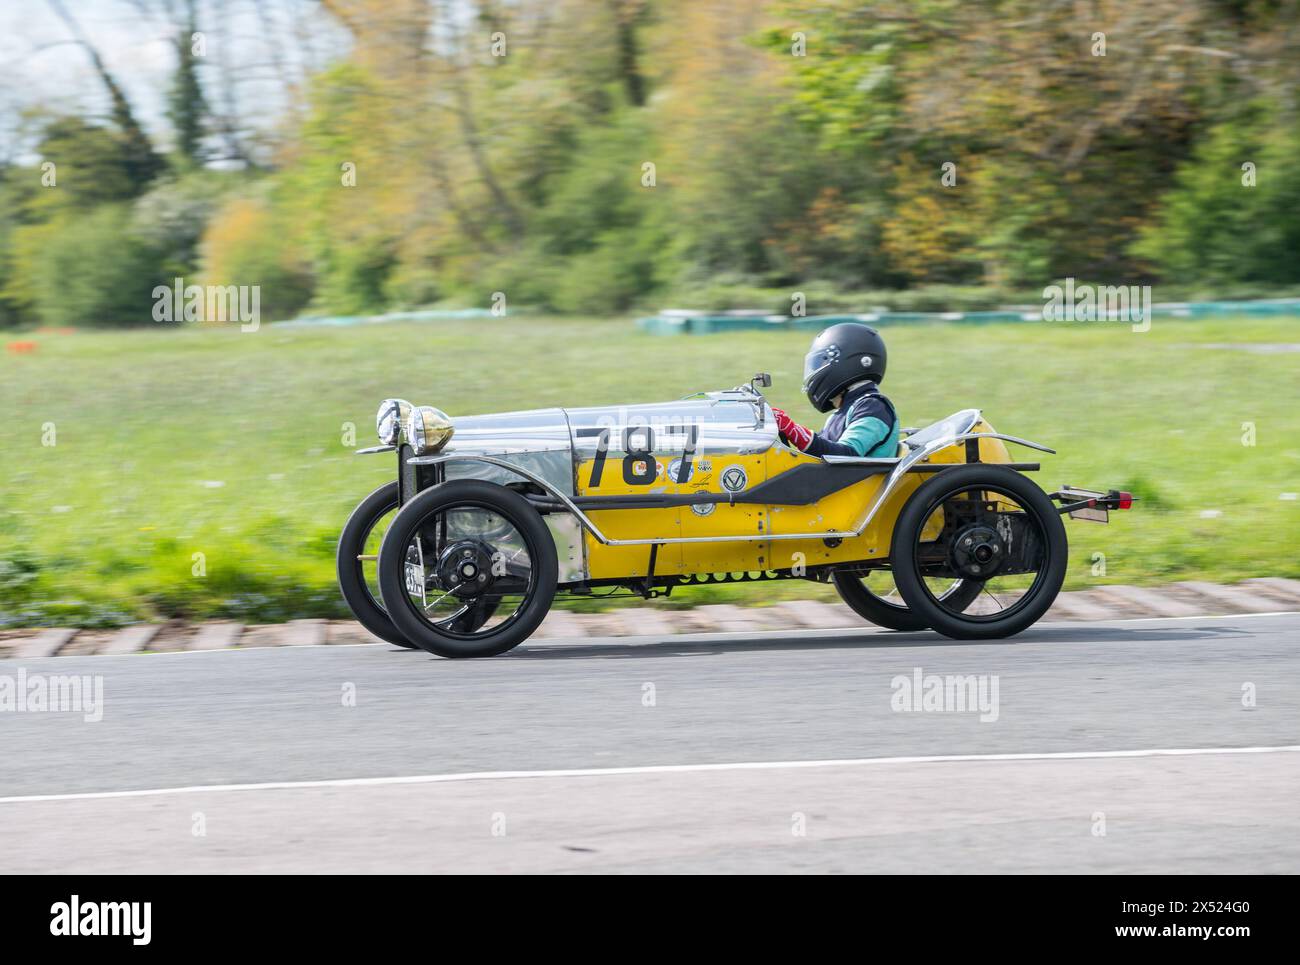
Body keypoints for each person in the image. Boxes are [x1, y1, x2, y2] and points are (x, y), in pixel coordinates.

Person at [771, 322, 900, 458]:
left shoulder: (873, 407)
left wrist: (793, 430)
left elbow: (846, 455)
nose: (816, 370)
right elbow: (817, 454)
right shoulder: (843, 411)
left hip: (858, 479)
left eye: (823, 362)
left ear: (849, 361)